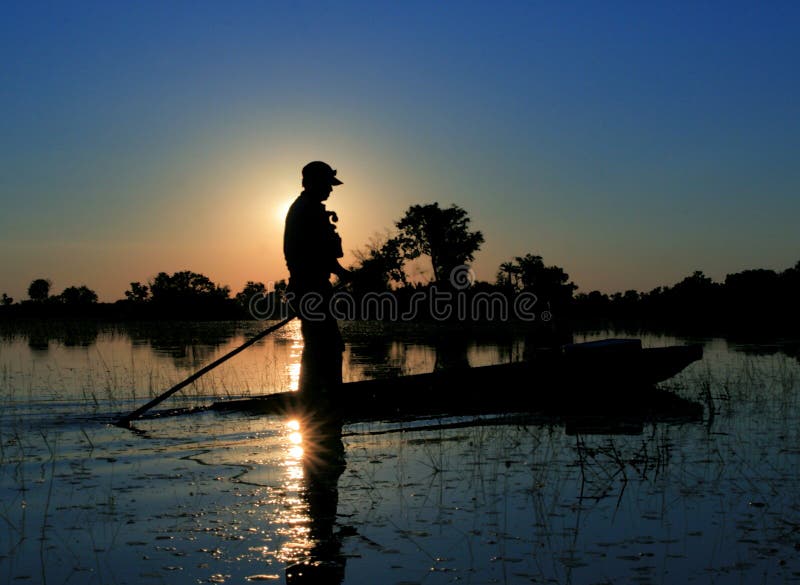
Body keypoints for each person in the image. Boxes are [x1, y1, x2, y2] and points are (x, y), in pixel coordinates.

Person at [283, 161, 350, 402]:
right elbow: (312, 253)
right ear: (312, 183)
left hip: (312, 288)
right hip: (310, 289)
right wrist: (339, 271)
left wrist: (341, 272)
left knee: (323, 345)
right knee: (326, 346)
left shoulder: (308, 209)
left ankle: (316, 398)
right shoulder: (306, 211)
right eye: (327, 184)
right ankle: (320, 400)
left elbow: (321, 254)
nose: (331, 190)